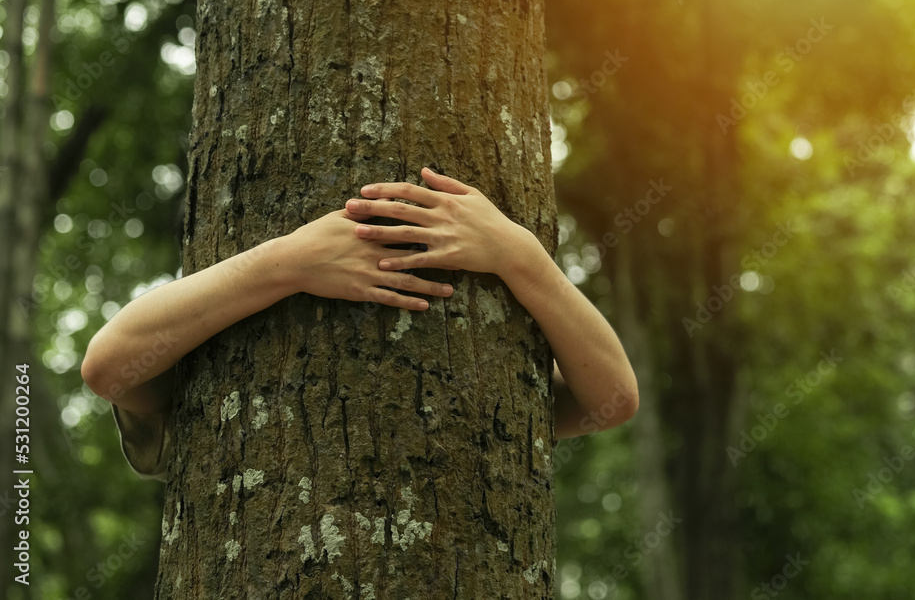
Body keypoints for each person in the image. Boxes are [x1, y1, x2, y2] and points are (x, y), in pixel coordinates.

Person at [81, 167, 640, 481]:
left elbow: (612, 397)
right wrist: (288, 263)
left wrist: (520, 255)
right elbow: (108, 367)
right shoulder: (187, 344)